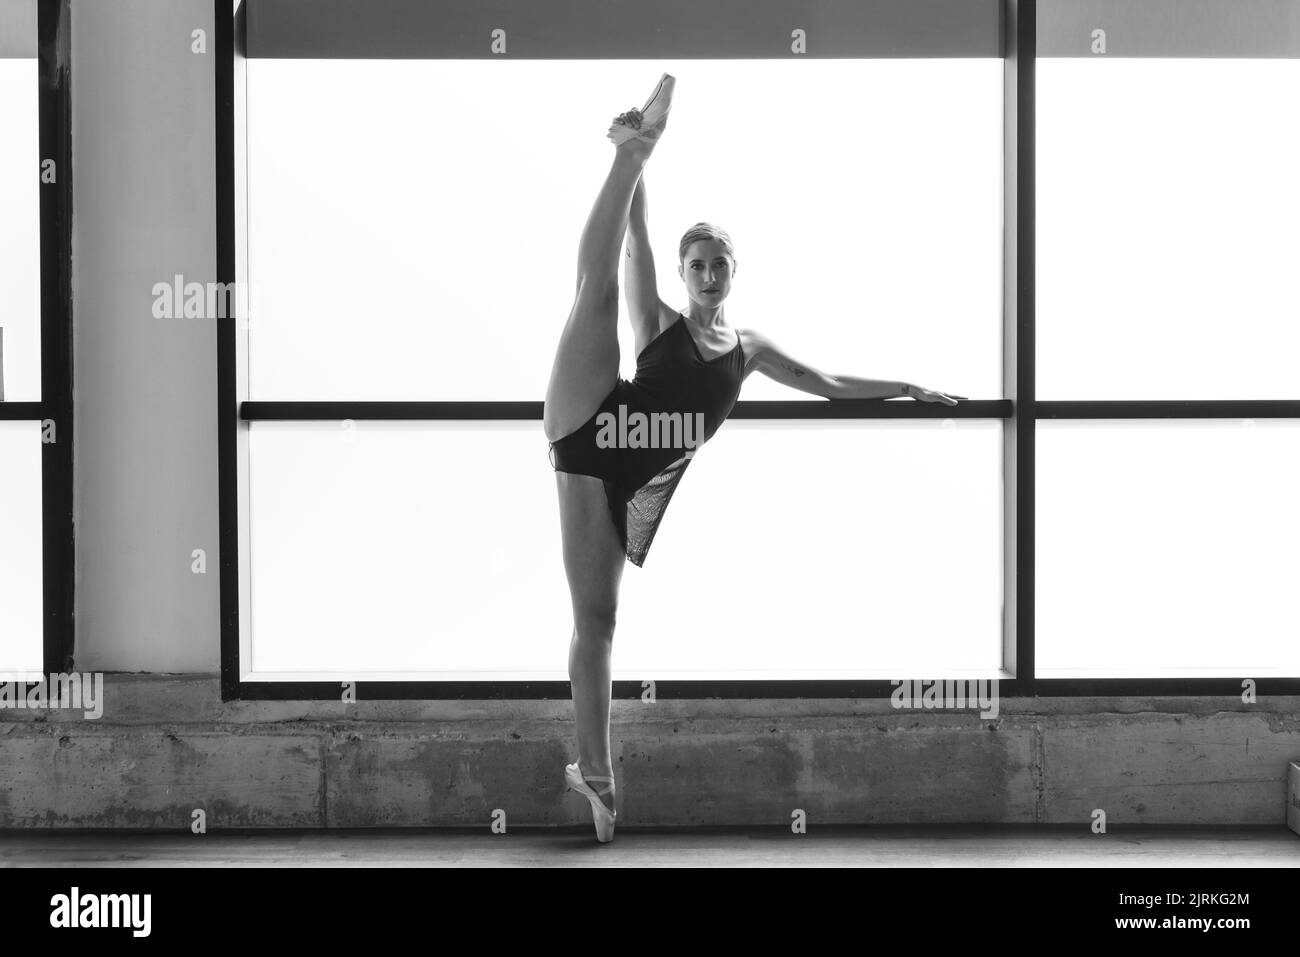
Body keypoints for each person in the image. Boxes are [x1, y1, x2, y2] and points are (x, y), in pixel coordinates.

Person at [543, 74, 964, 842]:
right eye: (696, 264)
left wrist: (904, 385)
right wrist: (637, 166)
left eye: (719, 263)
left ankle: (597, 778)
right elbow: (635, 240)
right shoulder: (657, 320)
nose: (708, 273)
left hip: (621, 476)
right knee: (594, 288)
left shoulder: (749, 349)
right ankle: (631, 151)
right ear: (683, 274)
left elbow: (829, 381)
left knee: (598, 619)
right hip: (589, 419)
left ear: (736, 270)